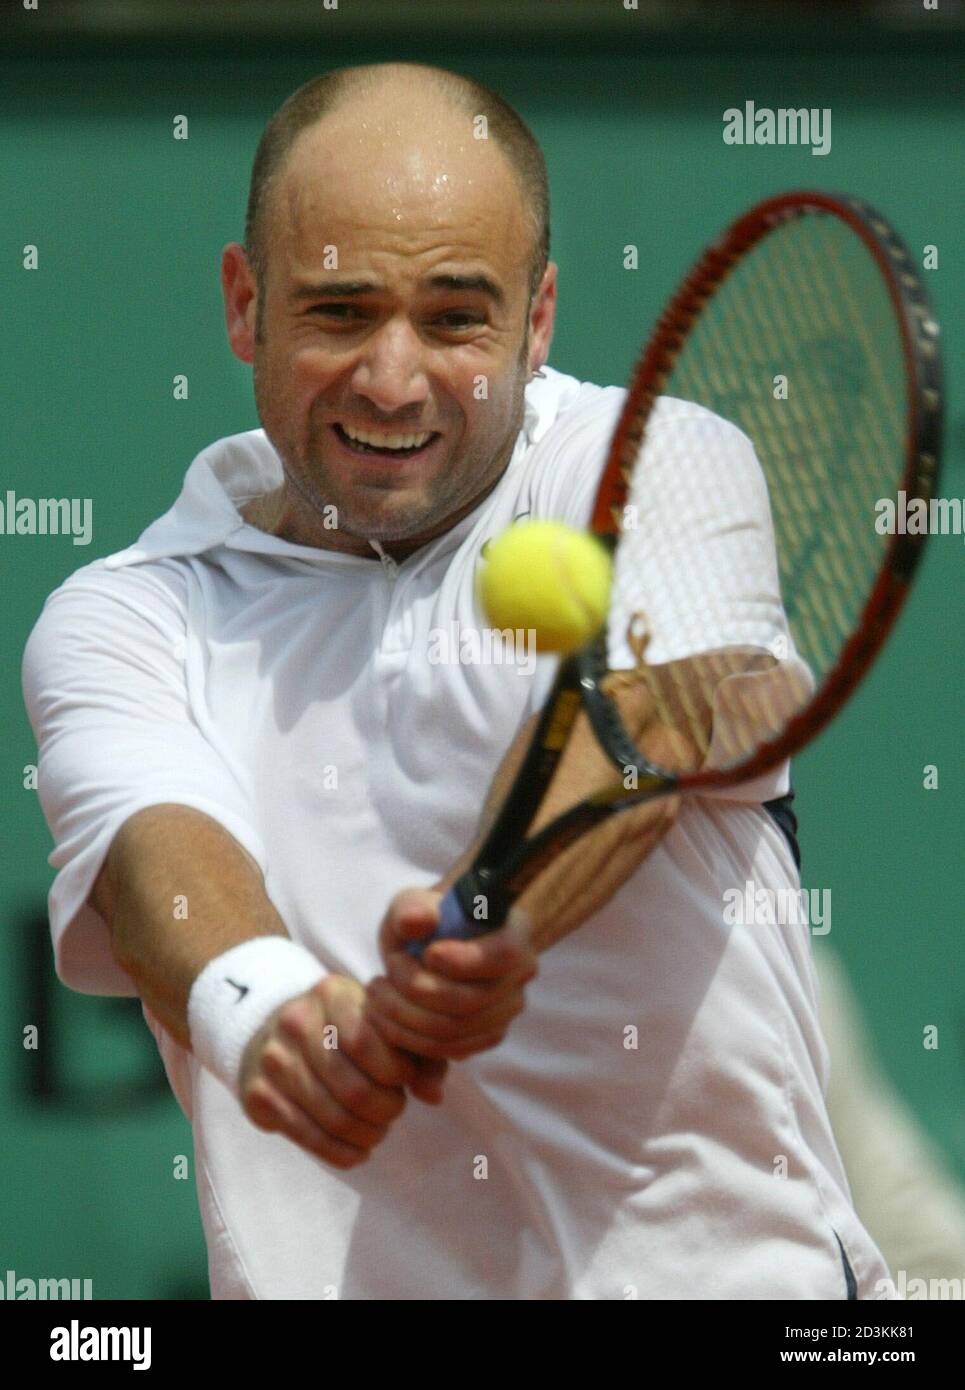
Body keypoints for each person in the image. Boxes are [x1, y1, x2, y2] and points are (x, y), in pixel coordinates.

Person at [21, 61, 896, 1300]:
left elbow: (659, 711)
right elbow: (155, 855)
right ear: (242, 301)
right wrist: (277, 1015)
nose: (393, 378)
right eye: (336, 312)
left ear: (536, 320)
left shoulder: (656, 462)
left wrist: (498, 916)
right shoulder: (125, 615)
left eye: (452, 317)